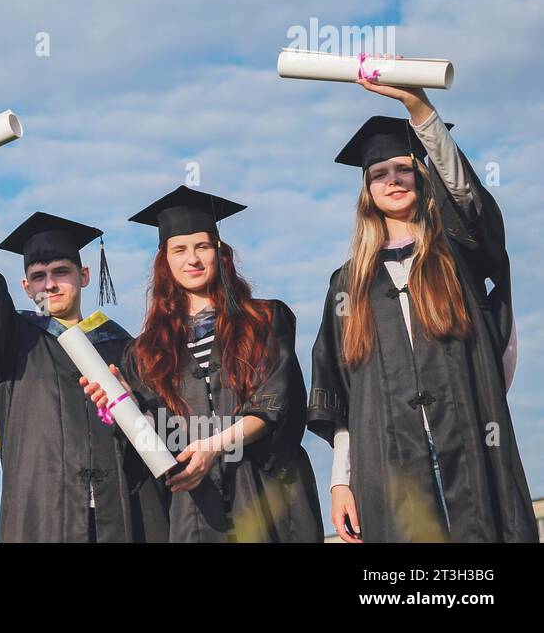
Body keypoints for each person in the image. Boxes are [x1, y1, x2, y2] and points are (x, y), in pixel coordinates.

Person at [307, 71, 536, 542]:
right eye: (378, 174)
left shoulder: (457, 254)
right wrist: (340, 482)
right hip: (387, 461)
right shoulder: (347, 285)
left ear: (423, 175)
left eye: (403, 169)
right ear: (366, 192)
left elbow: (471, 204)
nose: (392, 181)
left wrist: (421, 111)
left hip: (471, 441)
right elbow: (340, 389)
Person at [0, 161, 168, 542]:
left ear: (84, 275)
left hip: (120, 515)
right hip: (41, 516)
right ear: (25, 287)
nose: (50, 285)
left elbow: (158, 436)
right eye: (39, 277)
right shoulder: (13, 342)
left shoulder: (126, 349)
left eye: (61, 272)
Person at [84, 186, 322, 542]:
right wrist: (124, 406)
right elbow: (156, 439)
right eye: (179, 249)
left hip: (267, 493)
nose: (192, 259)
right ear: (165, 260)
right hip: (195, 508)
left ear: (220, 254)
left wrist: (214, 446)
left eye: (202, 246)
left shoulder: (265, 319)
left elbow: (276, 403)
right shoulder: (145, 351)